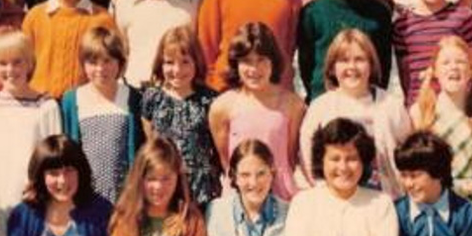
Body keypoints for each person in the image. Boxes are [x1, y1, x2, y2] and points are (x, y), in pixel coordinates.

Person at [299, 29, 411, 198]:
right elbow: (307, 158)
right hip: (334, 200)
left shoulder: (391, 105)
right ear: (332, 67)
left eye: (359, 59)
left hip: (383, 199)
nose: (352, 67)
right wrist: (322, 192)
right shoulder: (320, 108)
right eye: (344, 60)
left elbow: (408, 154)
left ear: (371, 64)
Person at [0, 29, 62, 211]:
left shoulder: (47, 107)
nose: (10, 70)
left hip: (32, 202)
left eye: (17, 62)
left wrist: (39, 187)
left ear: (29, 64)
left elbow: (53, 159)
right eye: (2, 63)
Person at [208, 22, 306, 201]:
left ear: (273, 62)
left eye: (261, 60)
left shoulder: (293, 104)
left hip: (281, 194)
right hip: (241, 194)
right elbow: (226, 159)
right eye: (246, 61)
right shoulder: (222, 107)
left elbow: (290, 157)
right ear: (235, 63)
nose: (254, 69)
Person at [140, 26, 223, 209]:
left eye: (185, 62)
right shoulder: (152, 97)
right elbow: (149, 142)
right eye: (170, 62)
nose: (177, 70)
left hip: (201, 192)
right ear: (161, 64)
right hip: (164, 191)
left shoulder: (210, 100)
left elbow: (219, 151)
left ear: (197, 62)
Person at [24, 0, 118, 99]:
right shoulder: (35, 17)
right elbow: (23, 65)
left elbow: (113, 68)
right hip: (40, 106)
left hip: (85, 107)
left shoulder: (103, 19)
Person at [409, 36, 472, 206]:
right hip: (432, 201)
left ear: (471, 70)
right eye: (446, 62)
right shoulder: (421, 113)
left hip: (471, 205)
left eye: (460, 62)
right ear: (434, 71)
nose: (453, 67)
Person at [60, 27, 146, 203]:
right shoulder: (71, 100)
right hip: (86, 195)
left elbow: (140, 149)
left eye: (108, 61)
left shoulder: (133, 98)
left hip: (123, 196)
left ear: (120, 63)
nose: (101, 69)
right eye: (93, 62)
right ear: (83, 64)